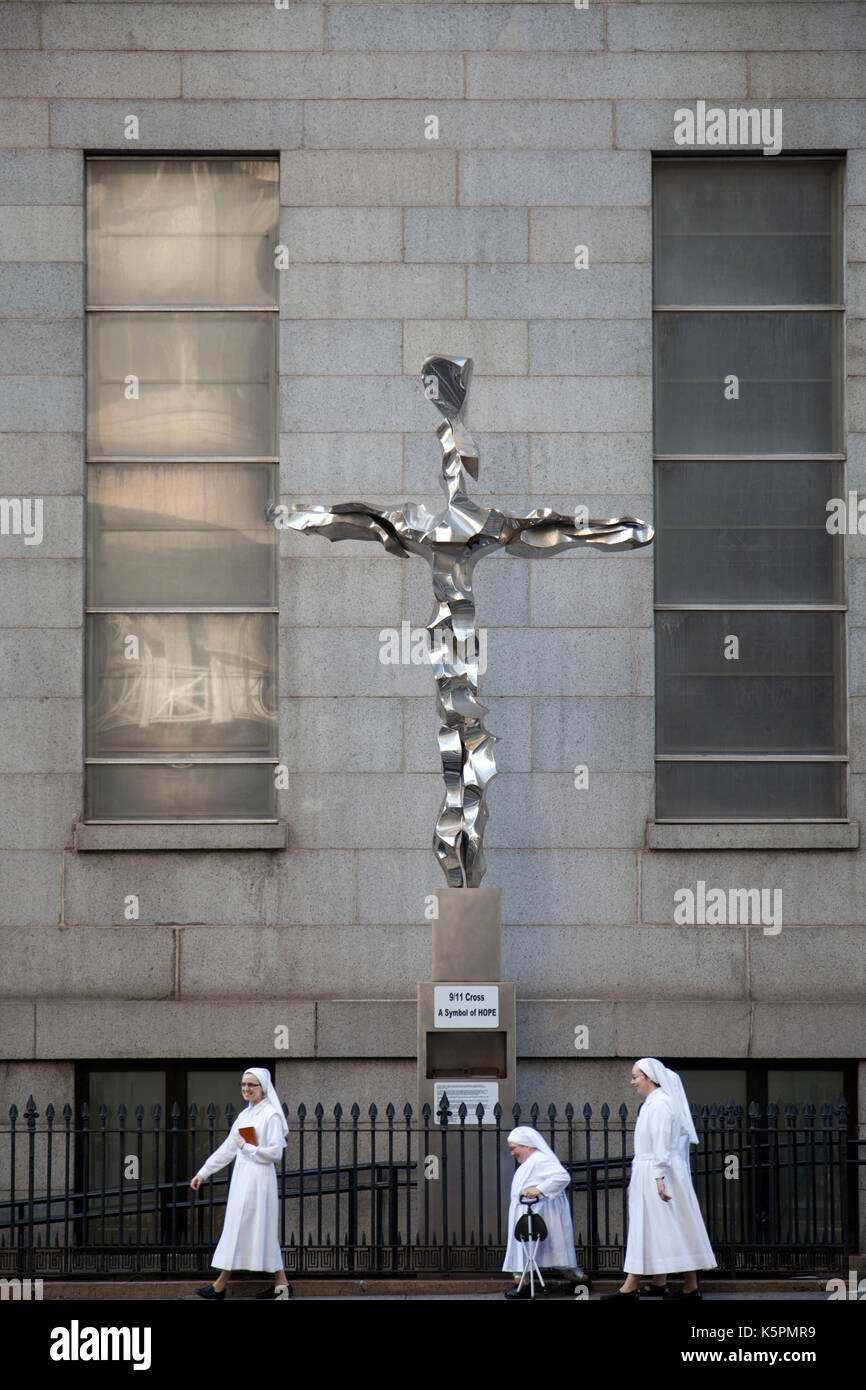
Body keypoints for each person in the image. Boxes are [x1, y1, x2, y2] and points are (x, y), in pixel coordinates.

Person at [602, 1058, 716, 1301]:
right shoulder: (654, 1103)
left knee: (659, 1226)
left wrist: (659, 1176)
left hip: (658, 1170)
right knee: (667, 1226)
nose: (632, 1082)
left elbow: (661, 1144)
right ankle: (678, 1285)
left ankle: (633, 1286)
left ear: (650, 1077)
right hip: (654, 1170)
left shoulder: (660, 1104)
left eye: (636, 1076)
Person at [190, 1067, 292, 1300]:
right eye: (243, 1085)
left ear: (262, 1087)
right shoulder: (245, 1115)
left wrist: (247, 1147)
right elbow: (228, 1148)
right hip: (242, 1180)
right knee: (253, 1229)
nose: (246, 1089)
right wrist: (203, 1172)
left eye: (251, 1085)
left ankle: (220, 1285)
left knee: (244, 1228)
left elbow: (276, 1153)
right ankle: (282, 1286)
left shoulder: (271, 1115)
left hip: (259, 1181)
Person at [502, 1125, 588, 1298]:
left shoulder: (540, 1159)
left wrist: (539, 1189)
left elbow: (563, 1176)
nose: (512, 1153)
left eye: (514, 1148)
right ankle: (578, 1279)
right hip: (530, 1211)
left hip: (542, 1212)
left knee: (536, 1248)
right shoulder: (531, 1161)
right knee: (533, 1249)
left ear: (526, 1145)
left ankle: (524, 1285)